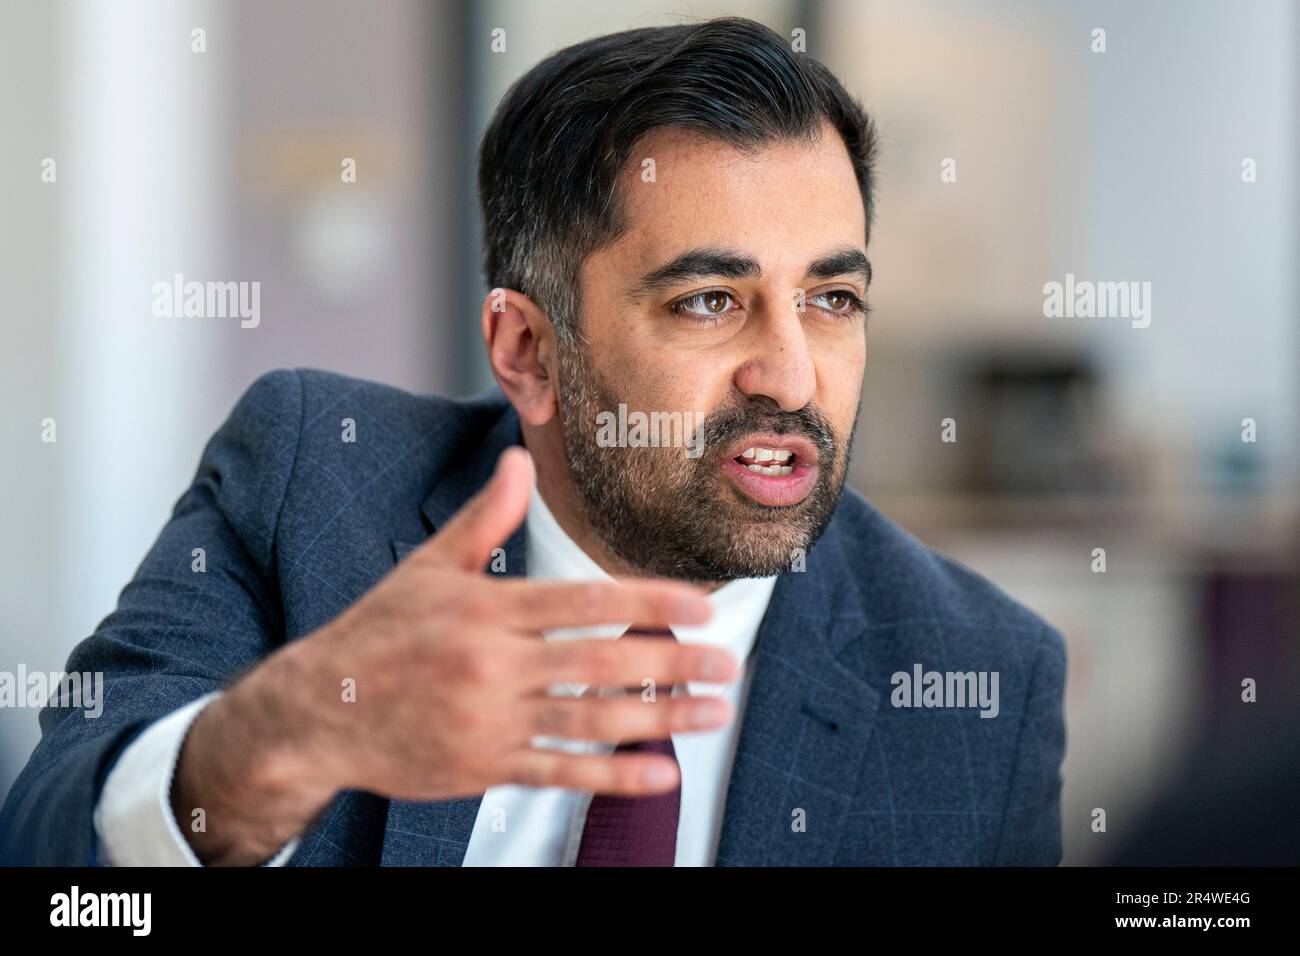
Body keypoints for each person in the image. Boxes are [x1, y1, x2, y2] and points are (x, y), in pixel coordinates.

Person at [0, 16, 1066, 867]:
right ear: (526, 350)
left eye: (832, 297)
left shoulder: (979, 674)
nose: (791, 374)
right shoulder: (309, 480)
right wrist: (288, 738)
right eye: (708, 301)